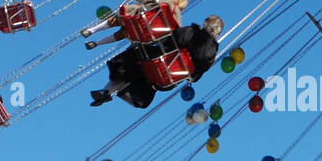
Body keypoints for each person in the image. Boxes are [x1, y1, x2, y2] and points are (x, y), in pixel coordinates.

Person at [88, 15, 223, 109]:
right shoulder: (212, 53)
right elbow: (197, 75)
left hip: (157, 60)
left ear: (206, 23)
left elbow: (172, 39)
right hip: (167, 80)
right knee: (144, 76)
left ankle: (107, 90)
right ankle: (112, 93)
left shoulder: (193, 31)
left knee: (133, 59)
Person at [82, 0, 190, 49]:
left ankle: (91, 30)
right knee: (125, 33)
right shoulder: (177, 18)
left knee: (119, 19)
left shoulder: (167, 2)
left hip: (138, 18)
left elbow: (148, 2)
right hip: (145, 34)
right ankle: (97, 43)